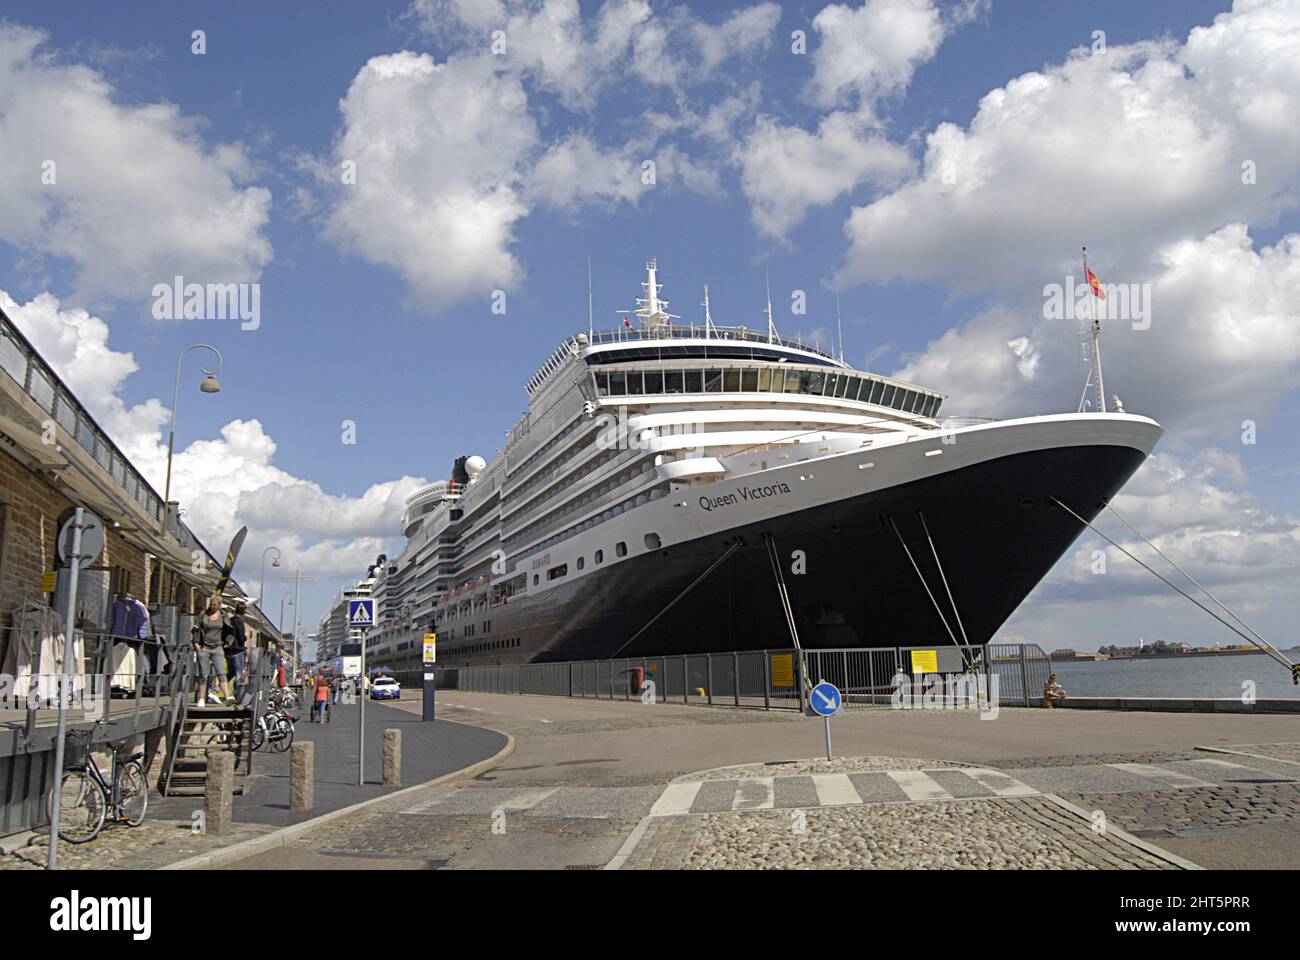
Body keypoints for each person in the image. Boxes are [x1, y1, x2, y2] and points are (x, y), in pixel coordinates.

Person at [191, 597, 229, 706]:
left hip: (218, 647)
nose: (212, 607)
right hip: (204, 647)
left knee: (221, 672)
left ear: (219, 605)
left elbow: (229, 630)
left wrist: (228, 641)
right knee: (203, 673)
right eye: (211, 604)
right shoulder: (203, 614)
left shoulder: (224, 616)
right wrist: (195, 643)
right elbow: (195, 629)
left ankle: (227, 697)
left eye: (214, 605)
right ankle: (201, 699)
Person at [226, 600, 249, 705]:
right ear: (244, 611)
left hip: (228, 650)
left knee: (230, 673)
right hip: (237, 650)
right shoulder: (240, 621)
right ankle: (237, 695)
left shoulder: (230, 620)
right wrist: (245, 637)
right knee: (238, 674)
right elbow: (240, 637)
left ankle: (215, 690)